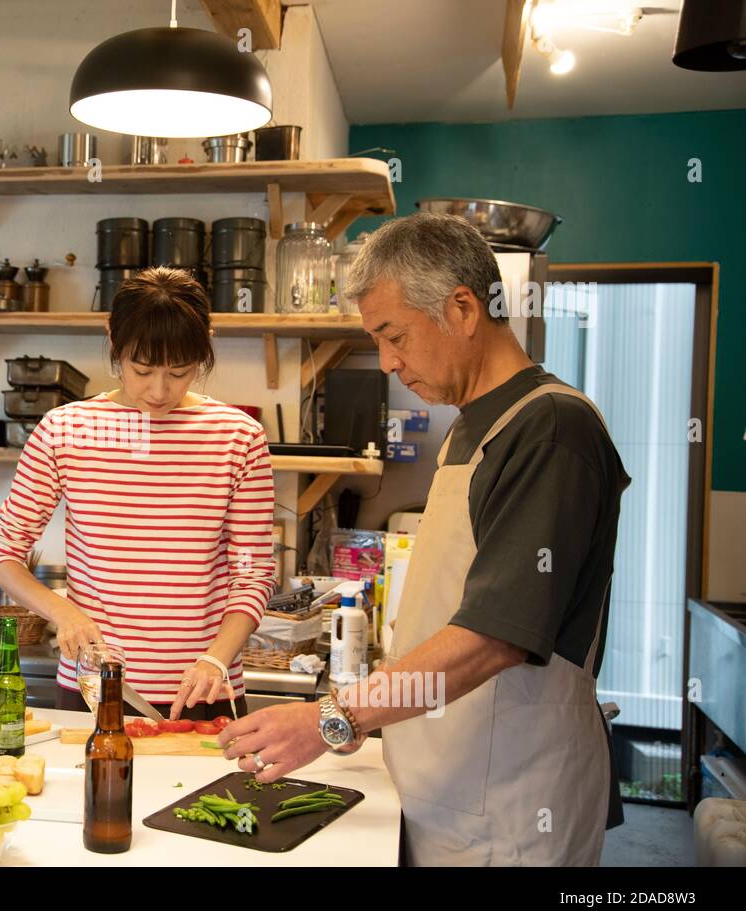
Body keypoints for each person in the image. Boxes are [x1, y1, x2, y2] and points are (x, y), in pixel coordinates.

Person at [219, 212, 629, 865]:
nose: (388, 363)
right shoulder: (470, 430)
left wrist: (338, 717)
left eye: (394, 336)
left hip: (513, 805)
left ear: (463, 309)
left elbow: (494, 636)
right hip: (450, 787)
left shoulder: (550, 428)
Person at [0, 267, 276, 720]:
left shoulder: (238, 437)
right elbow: (3, 553)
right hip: (94, 687)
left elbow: (252, 574)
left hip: (204, 690)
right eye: (142, 370)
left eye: (179, 372)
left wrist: (217, 657)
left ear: (206, 347)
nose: (159, 391)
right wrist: (62, 612)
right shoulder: (66, 432)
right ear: (113, 341)